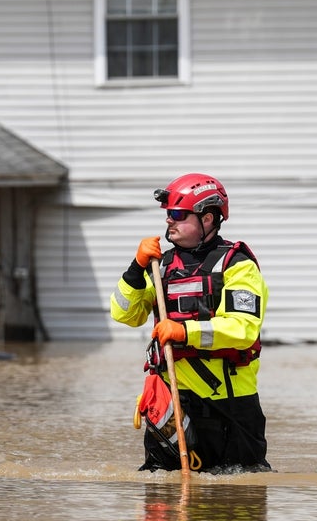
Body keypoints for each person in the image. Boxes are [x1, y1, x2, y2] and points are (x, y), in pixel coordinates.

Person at [110, 173, 271, 473]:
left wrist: (185, 332)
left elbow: (242, 330)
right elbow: (124, 314)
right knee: (160, 505)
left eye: (178, 215)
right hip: (172, 404)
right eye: (168, 214)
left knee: (238, 505)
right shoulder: (161, 268)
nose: (169, 221)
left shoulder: (238, 267)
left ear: (208, 219)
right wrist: (136, 268)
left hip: (229, 406)